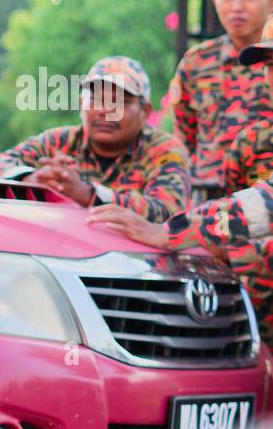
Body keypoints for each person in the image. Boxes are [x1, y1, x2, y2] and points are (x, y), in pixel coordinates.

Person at [90, 16, 273, 257]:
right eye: (270, 65)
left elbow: (262, 205)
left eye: (120, 100)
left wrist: (171, 233)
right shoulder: (250, 142)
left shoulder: (161, 152)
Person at [0, 56, 190, 221]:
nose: (105, 111)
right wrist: (32, 180)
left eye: (119, 102)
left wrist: (89, 195)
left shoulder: (165, 151)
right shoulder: (58, 141)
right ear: (81, 105)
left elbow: (167, 213)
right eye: (95, 100)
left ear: (145, 111)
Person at [168, 0, 273, 203]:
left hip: (264, 201)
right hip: (207, 202)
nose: (236, 7)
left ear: (271, 0)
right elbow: (184, 140)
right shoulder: (195, 63)